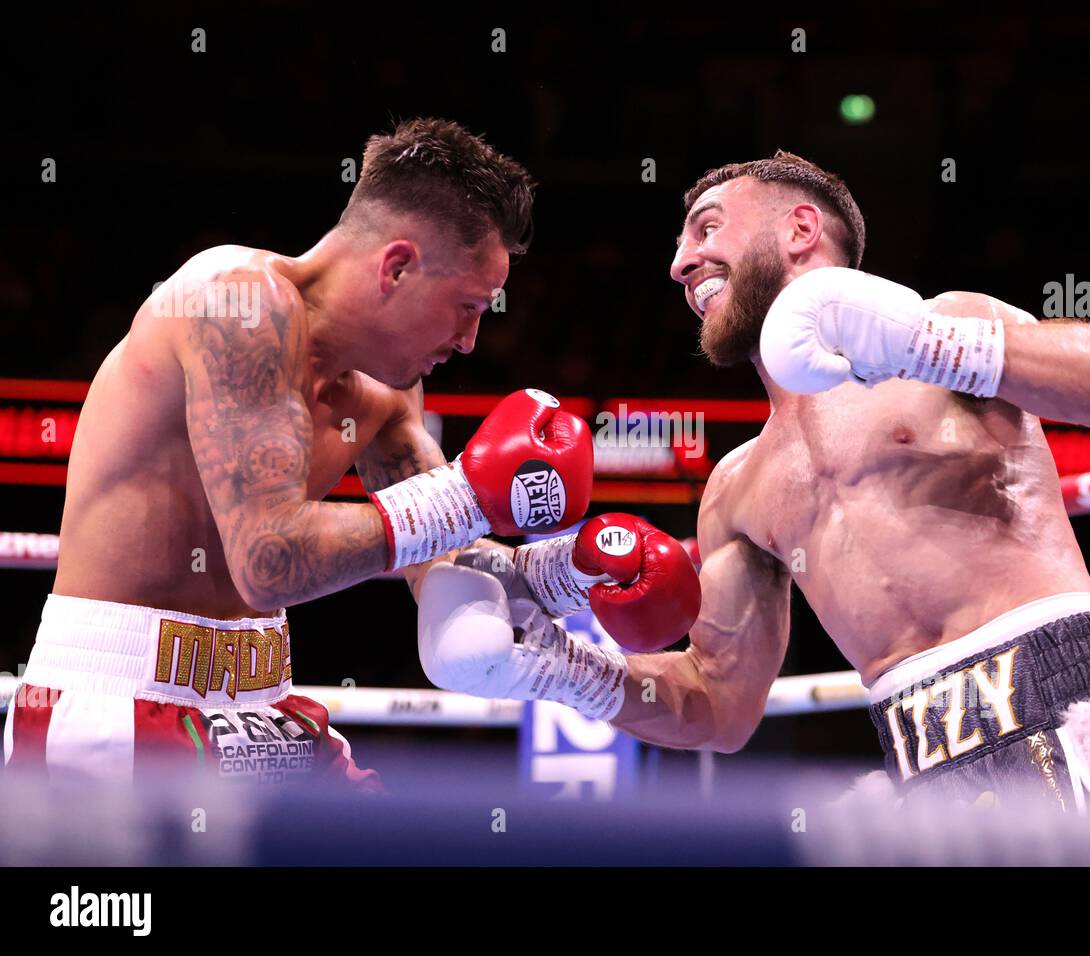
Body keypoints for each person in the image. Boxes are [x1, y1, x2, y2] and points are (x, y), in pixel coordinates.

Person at [424, 150, 1090, 822]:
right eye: (681, 245)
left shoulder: (947, 326)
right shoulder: (737, 486)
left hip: (1078, 707)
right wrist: (556, 668)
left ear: (801, 229)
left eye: (706, 227)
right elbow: (720, 708)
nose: (682, 263)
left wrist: (932, 344)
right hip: (926, 768)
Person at [3, 117, 694, 788]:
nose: (472, 340)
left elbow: (443, 556)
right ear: (397, 266)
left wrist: (568, 571)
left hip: (264, 704)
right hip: (116, 702)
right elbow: (269, 560)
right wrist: (470, 493)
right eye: (468, 305)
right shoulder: (238, 302)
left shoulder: (389, 392)